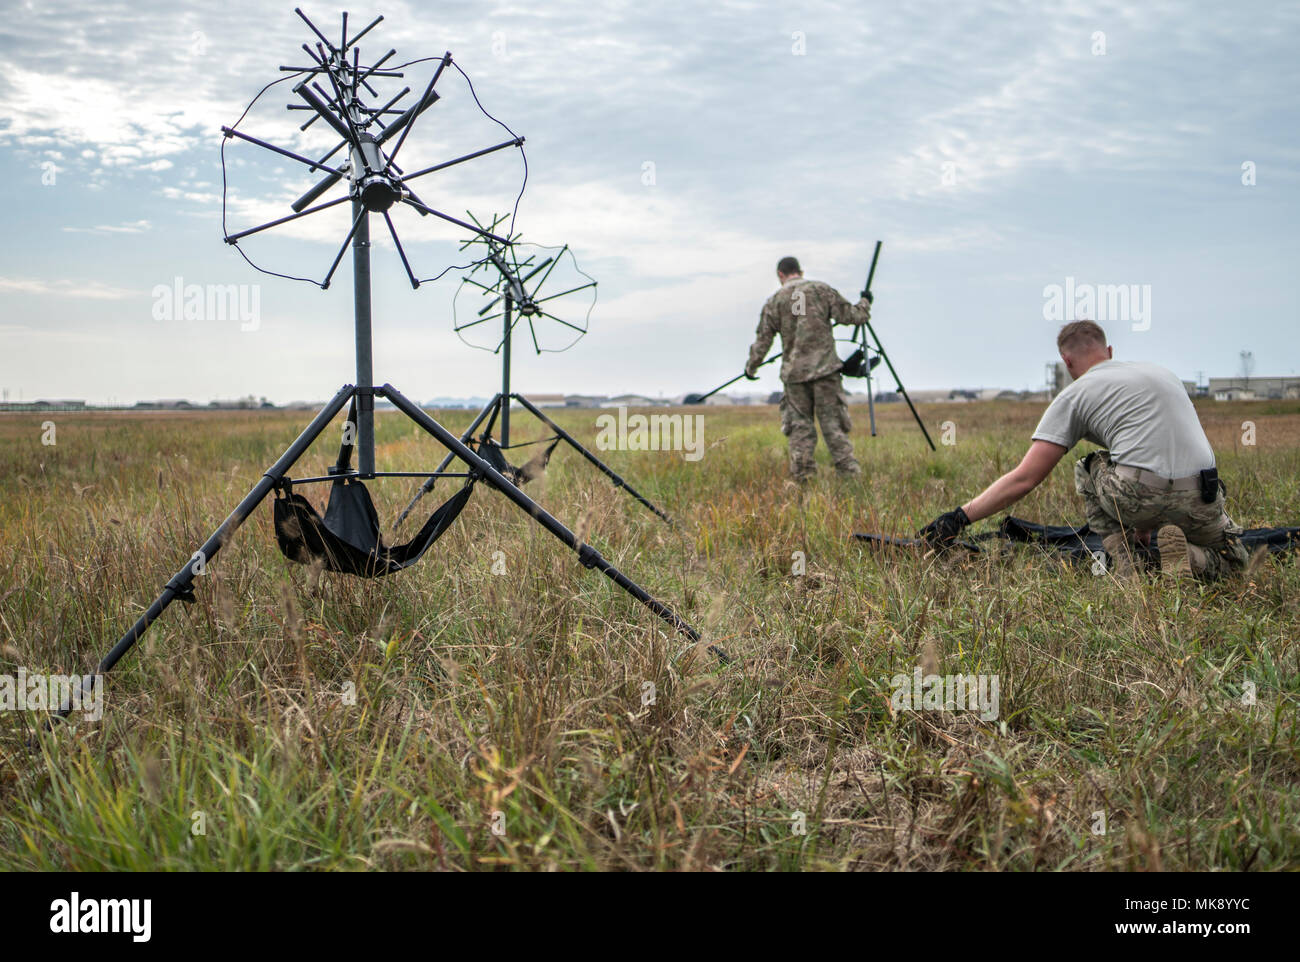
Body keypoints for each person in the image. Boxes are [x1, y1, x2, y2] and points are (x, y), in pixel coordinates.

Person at [918, 320, 1248, 579]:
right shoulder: (1164, 374)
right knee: (1235, 564)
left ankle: (1127, 565)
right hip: (1201, 498)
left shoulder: (1076, 394)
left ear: (1066, 360)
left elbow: (1025, 479)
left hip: (1136, 495)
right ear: (1110, 350)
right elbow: (1159, 447)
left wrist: (959, 517)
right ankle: (1192, 559)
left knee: (1089, 466)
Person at [745, 256, 873, 481]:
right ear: (800, 272)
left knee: (800, 430)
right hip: (825, 372)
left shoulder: (775, 300)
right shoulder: (821, 290)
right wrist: (865, 301)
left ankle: (803, 480)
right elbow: (854, 316)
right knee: (833, 426)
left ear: (780, 275)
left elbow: (763, 341)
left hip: (794, 376)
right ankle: (850, 477)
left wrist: (751, 367)